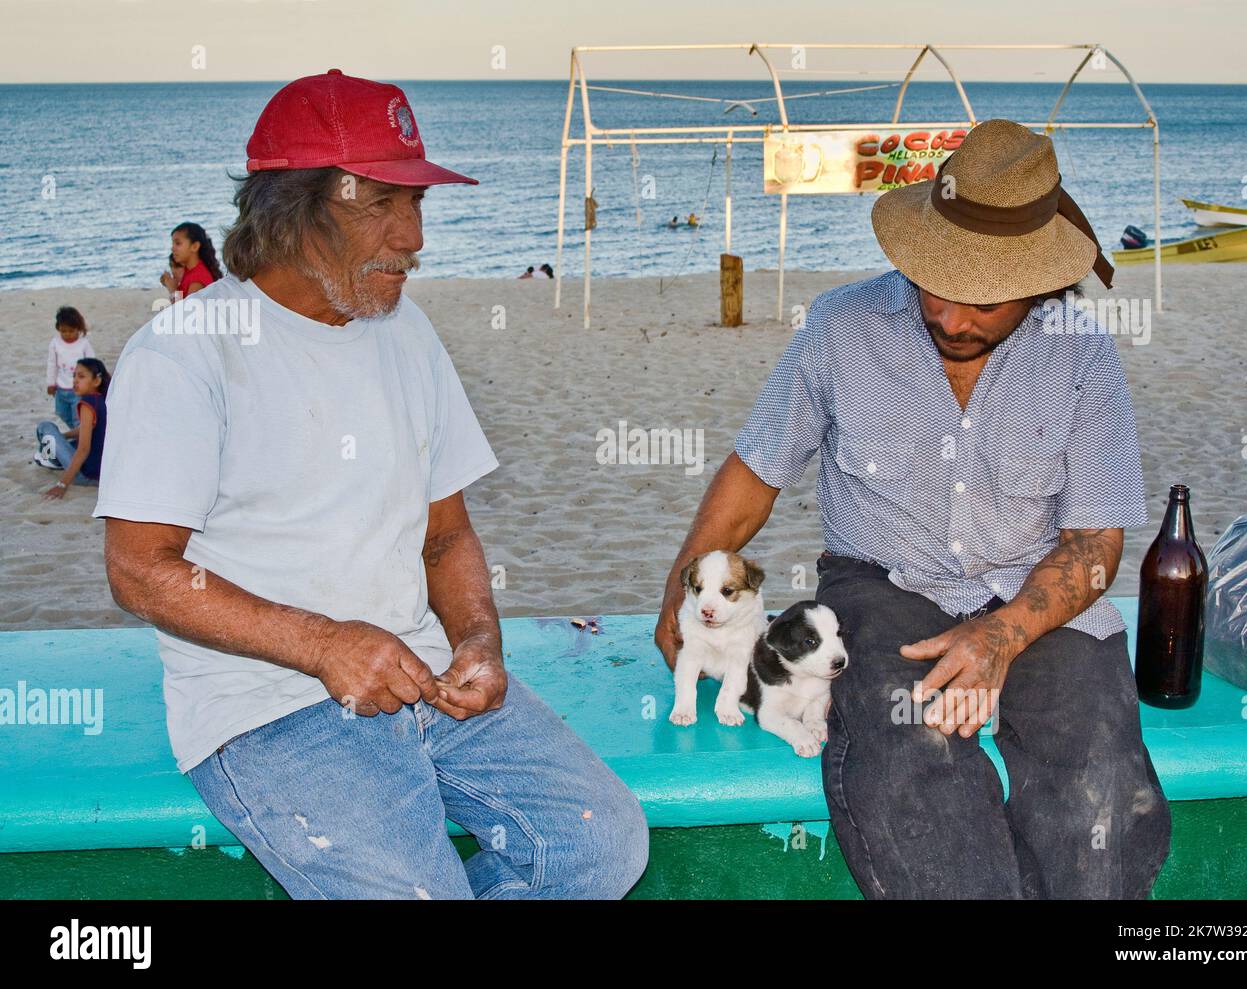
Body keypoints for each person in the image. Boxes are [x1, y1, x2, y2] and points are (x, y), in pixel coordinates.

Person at [95, 70, 647, 900]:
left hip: (422, 675)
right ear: (292, 214)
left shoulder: (407, 331)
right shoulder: (183, 352)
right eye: (380, 204)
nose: (413, 235)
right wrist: (325, 644)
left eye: (417, 203)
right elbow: (139, 569)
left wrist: (478, 643)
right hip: (266, 708)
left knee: (601, 848)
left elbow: (446, 534)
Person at [655, 119, 1171, 900]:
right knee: (909, 757)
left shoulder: (1085, 354)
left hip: (1038, 599)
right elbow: (755, 471)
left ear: (1039, 283)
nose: (954, 319)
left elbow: (1096, 540)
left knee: (1098, 782)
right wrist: (681, 588)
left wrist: (1001, 635)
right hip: (881, 586)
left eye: (986, 301)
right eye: (938, 285)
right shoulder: (840, 326)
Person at [36, 357, 110, 499]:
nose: (75, 380)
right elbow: (86, 430)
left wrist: (62, 485)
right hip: (101, 473)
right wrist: (61, 438)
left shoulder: (87, 403)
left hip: (85, 475)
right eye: (74, 375)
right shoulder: (102, 399)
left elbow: (83, 449)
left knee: (45, 426)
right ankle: (55, 453)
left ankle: (50, 459)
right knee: (61, 439)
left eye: (81, 376)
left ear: (96, 381)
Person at [46, 305, 95, 428]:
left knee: (77, 417)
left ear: (78, 328)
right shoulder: (55, 343)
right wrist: (50, 383)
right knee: (61, 413)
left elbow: (92, 364)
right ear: (58, 328)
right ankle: (75, 432)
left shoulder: (84, 344)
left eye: (71, 331)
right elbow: (52, 364)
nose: (67, 334)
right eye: (63, 331)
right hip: (61, 388)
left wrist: (91, 384)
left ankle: (79, 437)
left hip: (78, 390)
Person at [161, 221, 221, 300]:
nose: (172, 248)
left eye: (178, 243)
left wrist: (172, 290)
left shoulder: (197, 280)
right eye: (173, 244)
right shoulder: (189, 271)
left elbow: (185, 311)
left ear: (195, 246)